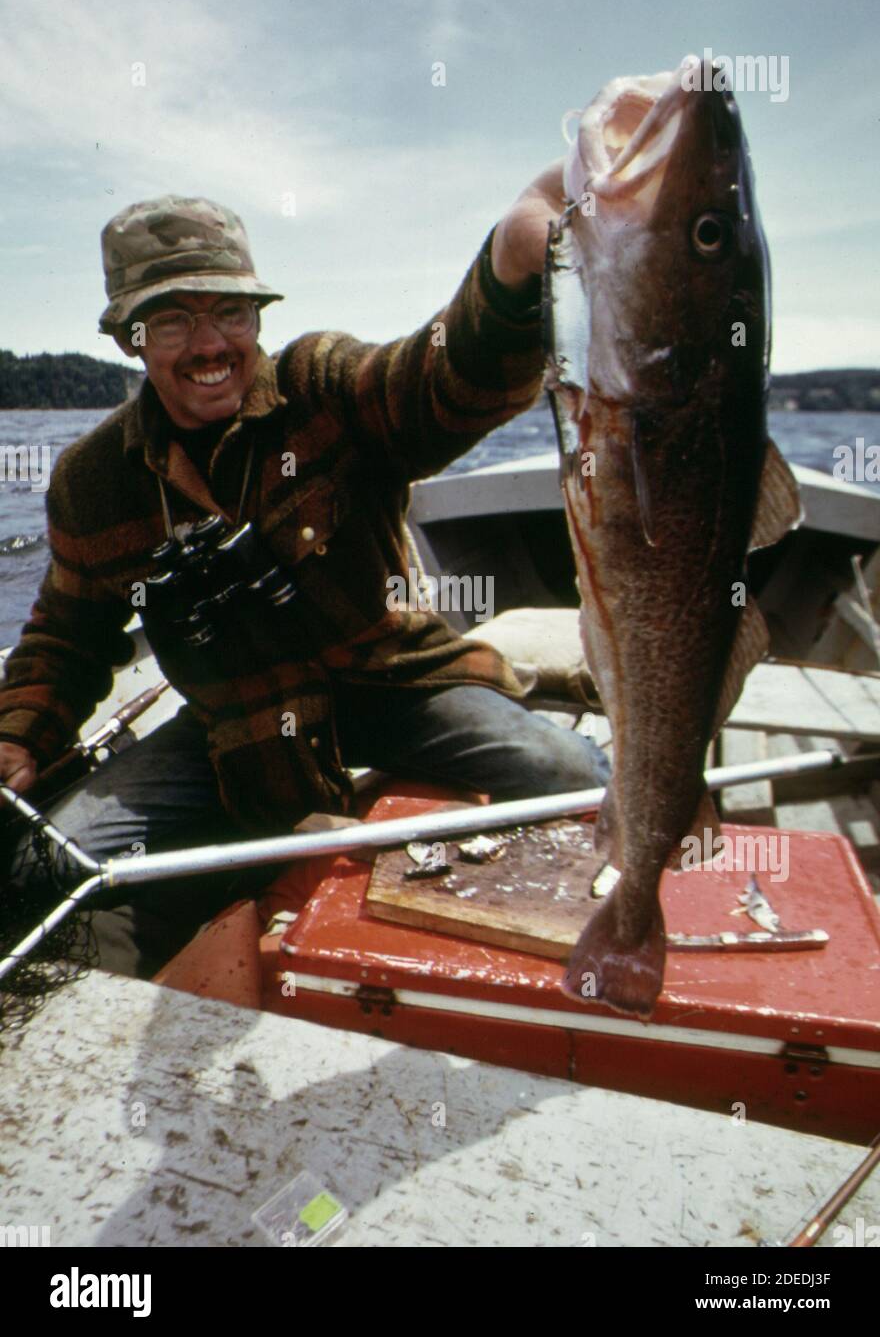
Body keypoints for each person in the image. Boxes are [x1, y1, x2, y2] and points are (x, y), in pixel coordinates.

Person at [0, 175, 609, 977]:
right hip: (234, 731)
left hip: (401, 684)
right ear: (129, 339)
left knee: (575, 780)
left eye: (231, 311)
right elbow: (66, 639)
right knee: (50, 862)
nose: (210, 344)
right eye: (173, 319)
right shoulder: (91, 481)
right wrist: (19, 735)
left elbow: (442, 384)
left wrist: (508, 274)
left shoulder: (322, 384)